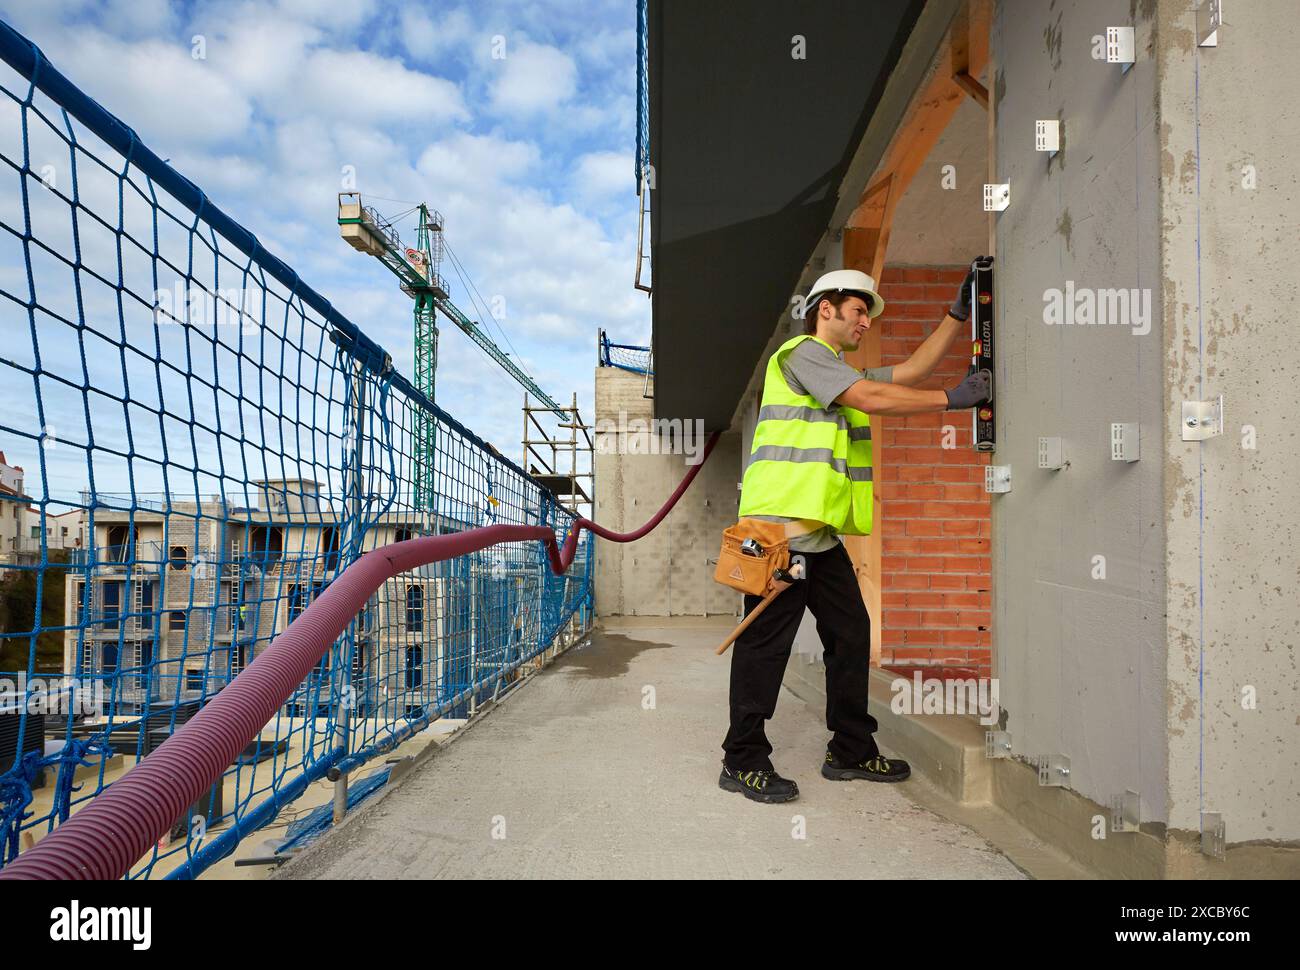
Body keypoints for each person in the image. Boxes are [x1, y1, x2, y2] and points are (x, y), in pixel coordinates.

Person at [719, 261, 993, 803]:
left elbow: (910, 371)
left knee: (850, 636)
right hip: (780, 539)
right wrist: (952, 400)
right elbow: (872, 399)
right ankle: (742, 759)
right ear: (827, 309)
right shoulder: (802, 355)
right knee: (764, 648)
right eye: (859, 311)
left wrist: (956, 315)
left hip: (818, 540)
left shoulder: (838, 369)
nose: (866, 322)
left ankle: (850, 749)